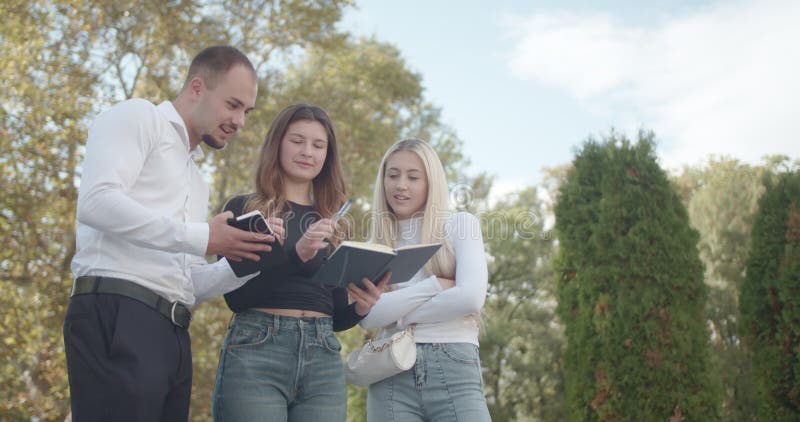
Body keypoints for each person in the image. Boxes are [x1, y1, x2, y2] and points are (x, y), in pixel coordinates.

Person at [63, 46, 280, 422]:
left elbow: (188, 282)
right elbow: (96, 202)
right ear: (197, 87)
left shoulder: (197, 181)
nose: (240, 121)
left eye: (247, 111)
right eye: (233, 104)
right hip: (117, 311)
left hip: (173, 333)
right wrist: (201, 237)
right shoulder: (138, 116)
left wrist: (249, 259)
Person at [211, 103, 388, 422]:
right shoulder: (246, 209)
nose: (308, 151)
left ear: (327, 155)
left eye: (318, 145)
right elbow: (236, 298)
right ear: (277, 144)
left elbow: (334, 317)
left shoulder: (335, 223)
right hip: (256, 349)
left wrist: (362, 307)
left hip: (323, 357)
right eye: (297, 141)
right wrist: (296, 255)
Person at [360, 139, 491, 421]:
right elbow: (367, 316)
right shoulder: (374, 245)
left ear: (431, 182)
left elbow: (470, 297)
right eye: (392, 175)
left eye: (413, 177)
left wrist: (396, 314)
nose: (401, 185)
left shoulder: (460, 224)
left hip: (455, 368)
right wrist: (435, 286)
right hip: (391, 375)